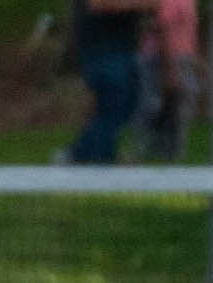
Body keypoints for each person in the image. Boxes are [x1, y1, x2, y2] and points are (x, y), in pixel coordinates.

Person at [64, 0, 157, 164]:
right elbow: (98, 4)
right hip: (103, 49)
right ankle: (77, 154)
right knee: (118, 103)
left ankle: (103, 157)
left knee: (116, 105)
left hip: (119, 48)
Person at [140, 0, 201, 162]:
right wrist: (171, 67)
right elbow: (165, 29)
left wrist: (196, 62)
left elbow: (186, 33)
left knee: (180, 105)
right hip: (166, 57)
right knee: (159, 105)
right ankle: (154, 151)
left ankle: (169, 152)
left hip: (181, 57)